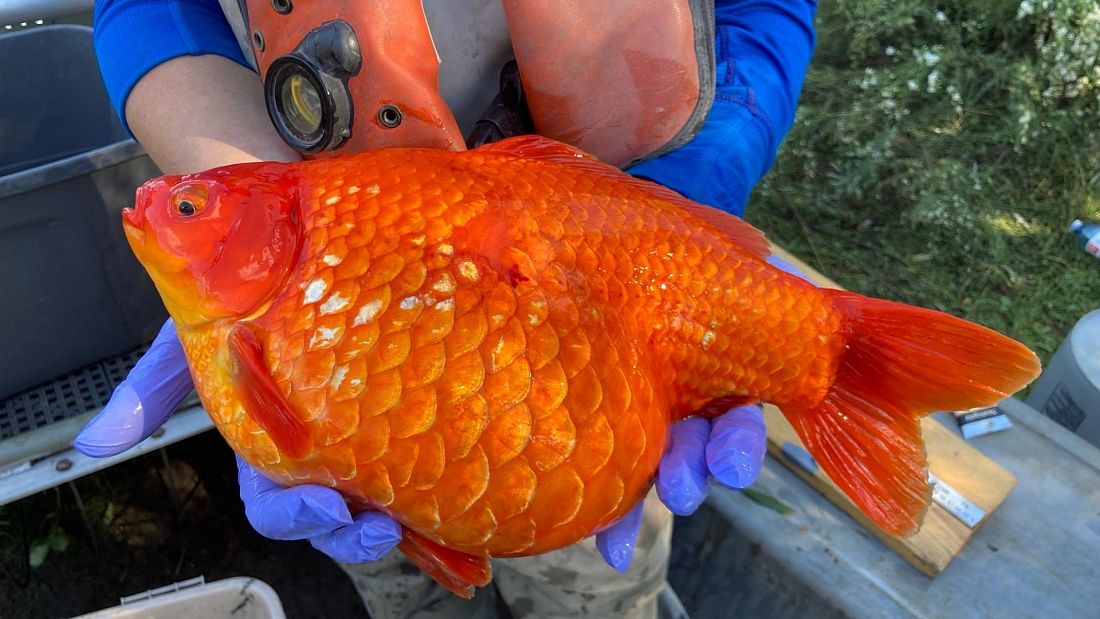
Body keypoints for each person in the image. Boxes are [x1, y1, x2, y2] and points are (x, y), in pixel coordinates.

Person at [75, 1, 817, 616]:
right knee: (384, 556)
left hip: (596, 319)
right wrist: (235, 193)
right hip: (325, 204)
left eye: (189, 204)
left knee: (600, 574)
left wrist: (678, 204)